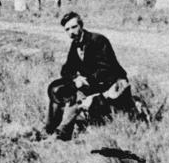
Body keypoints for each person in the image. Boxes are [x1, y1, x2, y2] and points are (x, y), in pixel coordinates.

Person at [46, 11, 137, 140]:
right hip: (93, 85)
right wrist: (76, 78)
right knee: (58, 90)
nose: (71, 32)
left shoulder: (98, 40)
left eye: (74, 27)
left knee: (82, 101)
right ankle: (50, 130)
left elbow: (106, 69)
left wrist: (87, 80)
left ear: (81, 25)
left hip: (112, 83)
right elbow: (66, 69)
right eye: (67, 29)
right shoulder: (75, 44)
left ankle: (62, 132)